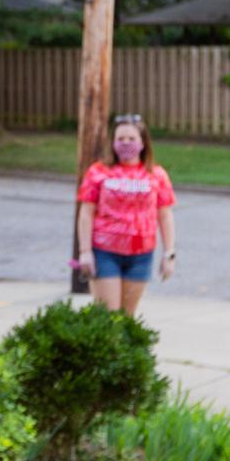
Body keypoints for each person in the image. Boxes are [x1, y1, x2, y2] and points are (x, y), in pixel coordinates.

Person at [77, 113, 177, 314]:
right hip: (105, 252)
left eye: (131, 138)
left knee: (126, 317)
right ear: (112, 142)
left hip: (141, 255)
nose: (126, 143)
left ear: (143, 142)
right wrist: (85, 251)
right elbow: (86, 213)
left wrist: (169, 254)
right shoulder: (98, 172)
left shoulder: (156, 175)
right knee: (109, 315)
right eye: (120, 139)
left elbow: (165, 215)